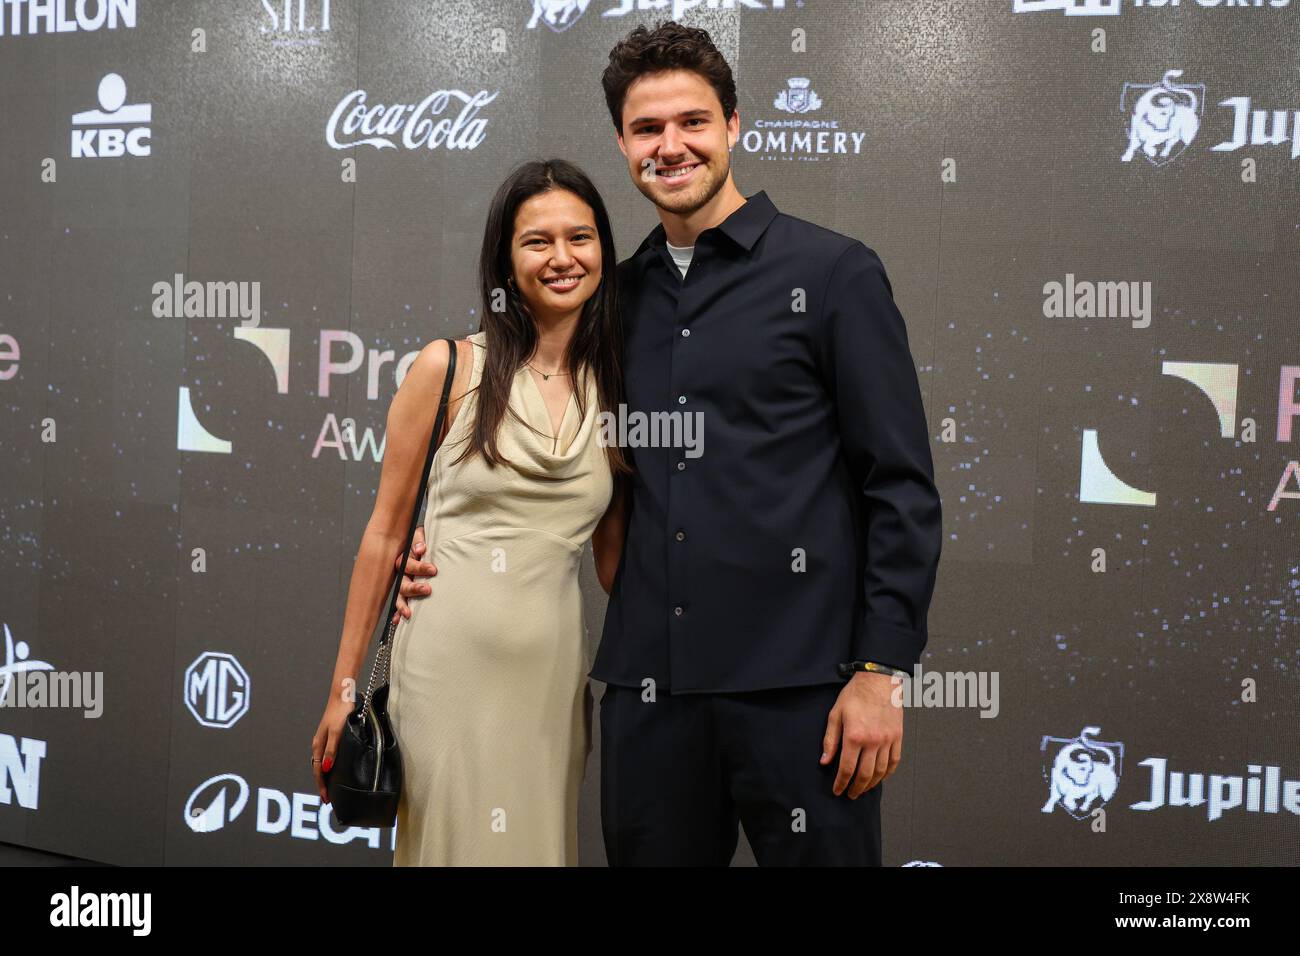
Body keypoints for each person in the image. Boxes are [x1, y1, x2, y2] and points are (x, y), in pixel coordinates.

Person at [400, 21, 943, 866]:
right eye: (648, 129)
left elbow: (900, 486)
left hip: (804, 695)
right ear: (622, 142)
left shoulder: (834, 275)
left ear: (734, 126)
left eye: (692, 121)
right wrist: (441, 548)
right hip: (651, 699)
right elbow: (542, 444)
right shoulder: (609, 303)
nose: (671, 145)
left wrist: (879, 671)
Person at [311, 158, 632, 866]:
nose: (562, 257)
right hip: (445, 671)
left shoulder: (617, 390)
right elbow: (386, 535)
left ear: (604, 249)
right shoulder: (449, 369)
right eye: (536, 241)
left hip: (550, 678)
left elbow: (618, 567)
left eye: (579, 237)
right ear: (504, 259)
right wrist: (343, 691)